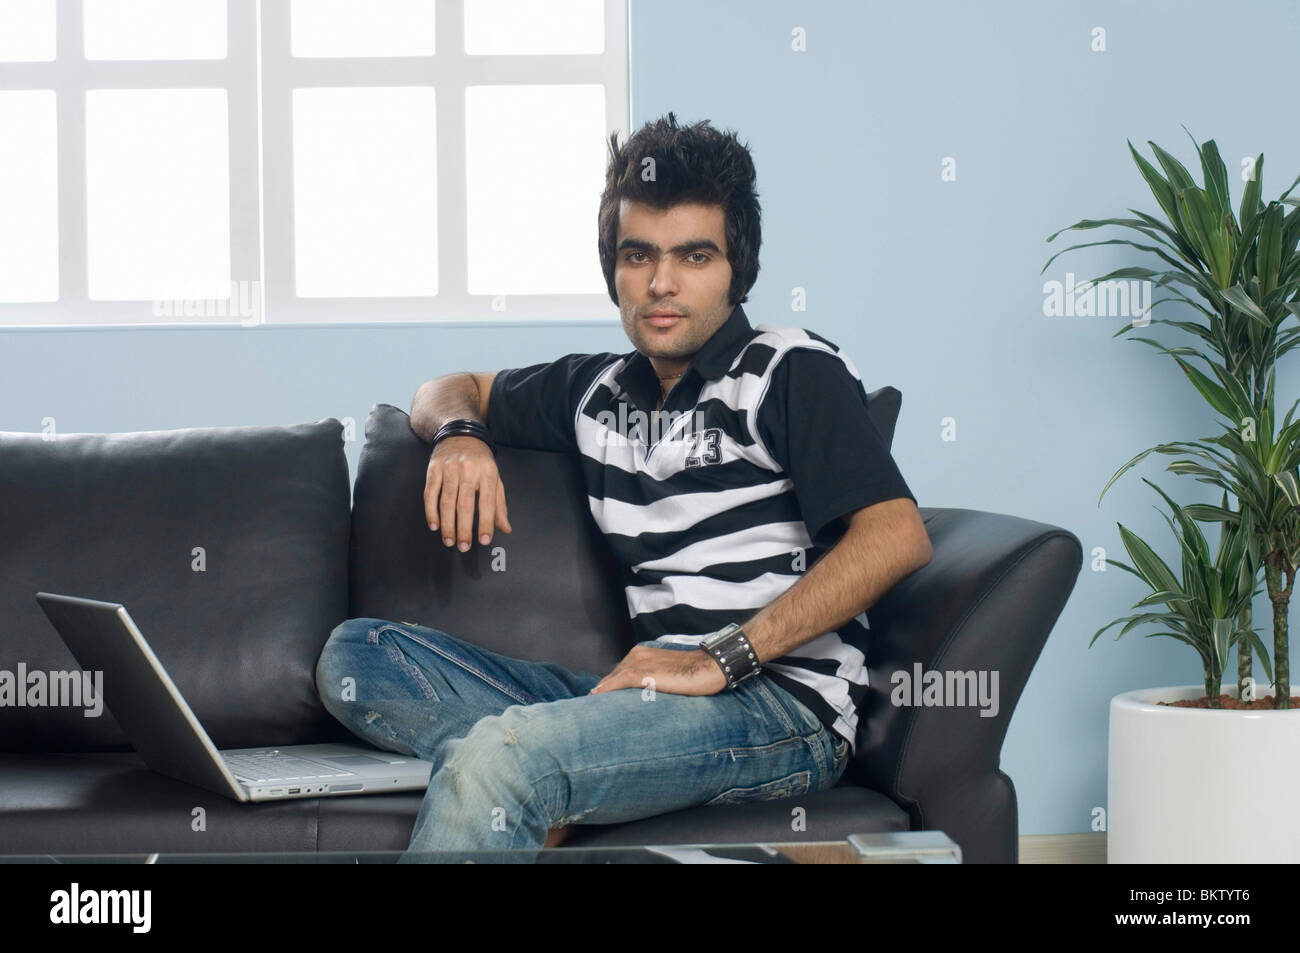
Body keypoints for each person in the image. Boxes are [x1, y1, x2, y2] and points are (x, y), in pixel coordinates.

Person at [315, 112, 931, 863]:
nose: (662, 282)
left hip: (776, 705)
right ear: (613, 267)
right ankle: (565, 774)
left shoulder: (791, 369)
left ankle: (529, 775)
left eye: (694, 255)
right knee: (358, 654)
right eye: (639, 255)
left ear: (738, 267)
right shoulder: (594, 390)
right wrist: (460, 434)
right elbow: (447, 387)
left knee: (497, 758)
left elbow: (895, 534)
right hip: (641, 701)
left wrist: (722, 658)